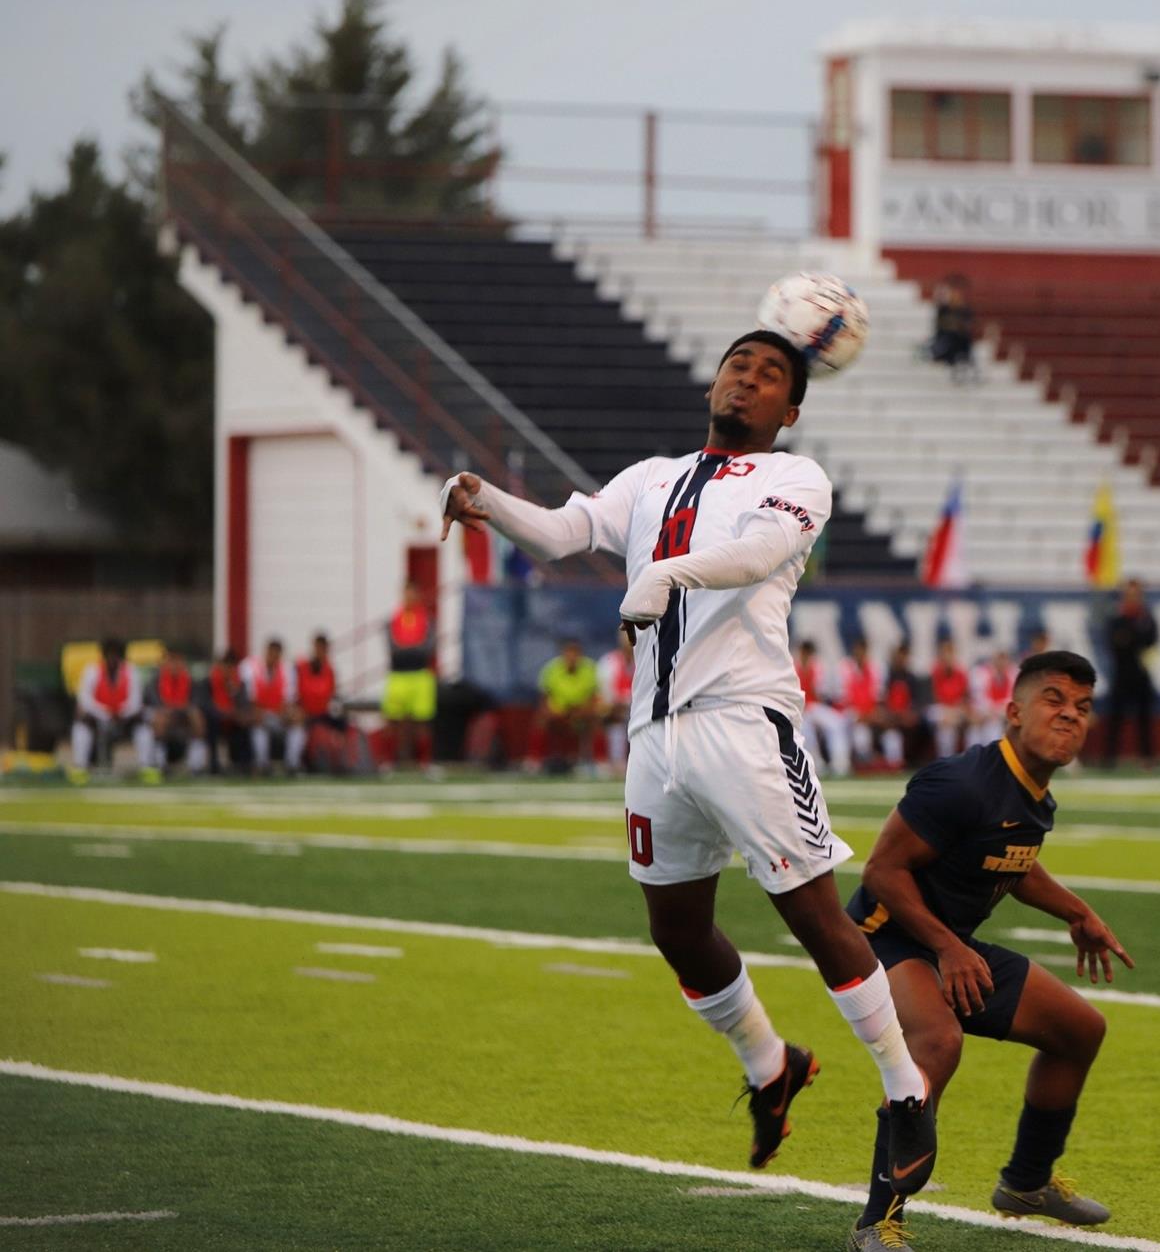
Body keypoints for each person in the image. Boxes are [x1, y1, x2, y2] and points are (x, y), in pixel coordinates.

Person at [439, 326, 935, 1182]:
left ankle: (905, 1088)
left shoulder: (793, 476)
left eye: (769, 373)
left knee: (815, 914)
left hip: (745, 722)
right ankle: (772, 1064)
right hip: (653, 735)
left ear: (792, 408)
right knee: (677, 928)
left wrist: (670, 574)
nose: (747, 379)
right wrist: (486, 501)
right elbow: (562, 534)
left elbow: (764, 551)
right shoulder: (652, 477)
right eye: (737, 365)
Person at [843, 651, 1131, 1250]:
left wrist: (1078, 913)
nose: (1069, 716)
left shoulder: (1033, 795)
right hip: (881, 939)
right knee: (938, 1042)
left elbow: (1015, 865)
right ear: (1013, 711)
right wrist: (948, 948)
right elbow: (884, 871)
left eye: (1081, 707)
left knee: (1081, 1029)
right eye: (1054, 700)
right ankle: (878, 1221)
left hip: (946, 942)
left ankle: (1027, 1183)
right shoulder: (960, 782)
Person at [69, 637, 152, 782]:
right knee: (81, 725)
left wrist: (121, 713)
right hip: (98, 717)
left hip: (124, 718)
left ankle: (146, 767)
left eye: (116, 655)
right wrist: (104, 713)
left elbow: (135, 700)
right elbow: (85, 699)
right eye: (109, 655)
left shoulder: (132, 671)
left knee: (143, 726)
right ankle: (80, 768)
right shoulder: (92, 671)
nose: (112, 659)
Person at [1102, 579, 1157, 768]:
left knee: (1144, 720)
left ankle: (1147, 758)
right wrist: (1134, 640)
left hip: (1141, 674)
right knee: (1116, 719)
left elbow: (1151, 643)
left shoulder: (1146, 618)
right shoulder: (1118, 618)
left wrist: (1130, 640)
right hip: (1122, 673)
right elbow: (1116, 644)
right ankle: (1110, 758)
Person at [383, 582, 437, 771]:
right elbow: (392, 648)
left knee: (422, 721)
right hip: (398, 676)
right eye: (407, 594)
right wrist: (414, 648)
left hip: (420, 676)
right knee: (393, 720)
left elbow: (428, 648)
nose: (409, 598)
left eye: (413, 594)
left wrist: (408, 648)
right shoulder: (394, 620)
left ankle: (424, 762)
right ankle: (389, 762)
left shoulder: (426, 619)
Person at [238, 637, 304, 775]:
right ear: (266, 652)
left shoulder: (287, 670)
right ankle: (262, 764)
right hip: (258, 715)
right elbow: (248, 698)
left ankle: (292, 764)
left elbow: (289, 700)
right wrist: (256, 713)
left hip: (278, 717)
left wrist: (289, 714)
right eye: (271, 653)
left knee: (297, 728)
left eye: (277, 654)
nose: (274, 657)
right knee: (258, 729)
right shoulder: (250, 668)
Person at [535, 637, 601, 773]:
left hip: (581, 712)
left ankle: (599, 761)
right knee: (540, 720)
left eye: (575, 652)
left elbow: (594, 698)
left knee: (596, 720)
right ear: (562, 654)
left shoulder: (590, 669)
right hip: (558, 712)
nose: (572, 656)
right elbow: (544, 698)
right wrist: (552, 712)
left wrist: (582, 712)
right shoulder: (551, 669)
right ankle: (535, 760)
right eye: (568, 652)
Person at [148, 643, 207, 777]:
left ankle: (196, 766)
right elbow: (154, 703)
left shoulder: (190, 680)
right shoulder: (155, 680)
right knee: (159, 717)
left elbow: (195, 703)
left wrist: (181, 709)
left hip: (182, 715)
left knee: (197, 716)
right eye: (171, 660)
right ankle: (159, 764)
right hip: (162, 716)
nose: (174, 664)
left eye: (177, 660)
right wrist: (167, 710)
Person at [797, 640, 852, 777]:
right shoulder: (793, 667)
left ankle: (840, 763)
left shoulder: (817, 667)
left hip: (814, 707)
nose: (806, 656)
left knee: (836, 723)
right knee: (806, 731)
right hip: (799, 709)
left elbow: (821, 694)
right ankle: (816, 765)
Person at [295, 633, 348, 773]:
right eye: (319, 647)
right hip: (305, 714)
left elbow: (333, 696)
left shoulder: (329, 670)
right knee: (302, 732)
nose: (321, 651)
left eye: (324, 648)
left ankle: (339, 760)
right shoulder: (301, 667)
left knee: (342, 723)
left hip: (322, 714)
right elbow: (295, 694)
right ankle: (302, 763)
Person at [842, 638, 894, 770]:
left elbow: (879, 698)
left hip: (869, 713)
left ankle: (891, 763)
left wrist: (874, 714)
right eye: (857, 651)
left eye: (862, 651)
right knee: (860, 735)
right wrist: (862, 715)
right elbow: (843, 699)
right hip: (850, 712)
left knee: (891, 734)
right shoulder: (845, 668)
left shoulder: (876, 669)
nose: (859, 654)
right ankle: (858, 762)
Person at [882, 643, 930, 767]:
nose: (901, 659)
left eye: (904, 656)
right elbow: (883, 701)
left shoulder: (912, 678)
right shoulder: (887, 677)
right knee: (890, 733)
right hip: (892, 717)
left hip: (908, 717)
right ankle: (892, 764)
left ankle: (914, 761)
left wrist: (910, 714)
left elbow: (918, 703)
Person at [927, 639, 973, 759]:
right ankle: (944, 758)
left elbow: (965, 699)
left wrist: (955, 711)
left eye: (950, 653)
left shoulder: (961, 673)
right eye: (944, 653)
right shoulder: (934, 673)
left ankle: (954, 759)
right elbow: (934, 699)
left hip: (956, 710)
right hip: (940, 710)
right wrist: (948, 713)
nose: (947, 657)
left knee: (950, 727)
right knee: (944, 724)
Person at [927, 276, 977, 384]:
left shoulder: (965, 310)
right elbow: (940, 327)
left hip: (959, 341)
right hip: (946, 339)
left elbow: (967, 326)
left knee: (961, 339)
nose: (955, 296)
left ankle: (961, 363)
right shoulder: (943, 309)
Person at [203, 645, 244, 774]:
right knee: (212, 723)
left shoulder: (238, 683)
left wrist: (234, 692)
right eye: (225, 664)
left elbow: (243, 704)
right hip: (216, 718)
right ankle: (214, 765)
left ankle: (242, 764)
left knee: (243, 726)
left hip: (233, 718)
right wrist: (221, 713)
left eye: (230, 665)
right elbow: (206, 704)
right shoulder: (209, 680)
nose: (227, 668)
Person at [599, 631, 635, 772]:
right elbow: (605, 693)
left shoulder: (647, 660)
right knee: (613, 715)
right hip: (617, 708)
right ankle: (616, 761)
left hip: (640, 708)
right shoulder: (608, 662)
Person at [969, 647, 1016, 748]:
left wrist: (997, 710)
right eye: (999, 660)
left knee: (993, 725)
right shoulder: (981, 674)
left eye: (1004, 660)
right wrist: (988, 710)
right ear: (993, 661)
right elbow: (979, 696)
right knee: (975, 728)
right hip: (985, 710)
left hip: (1001, 712)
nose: (1001, 663)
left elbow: (1012, 697)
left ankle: (992, 754)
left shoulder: (1013, 674)